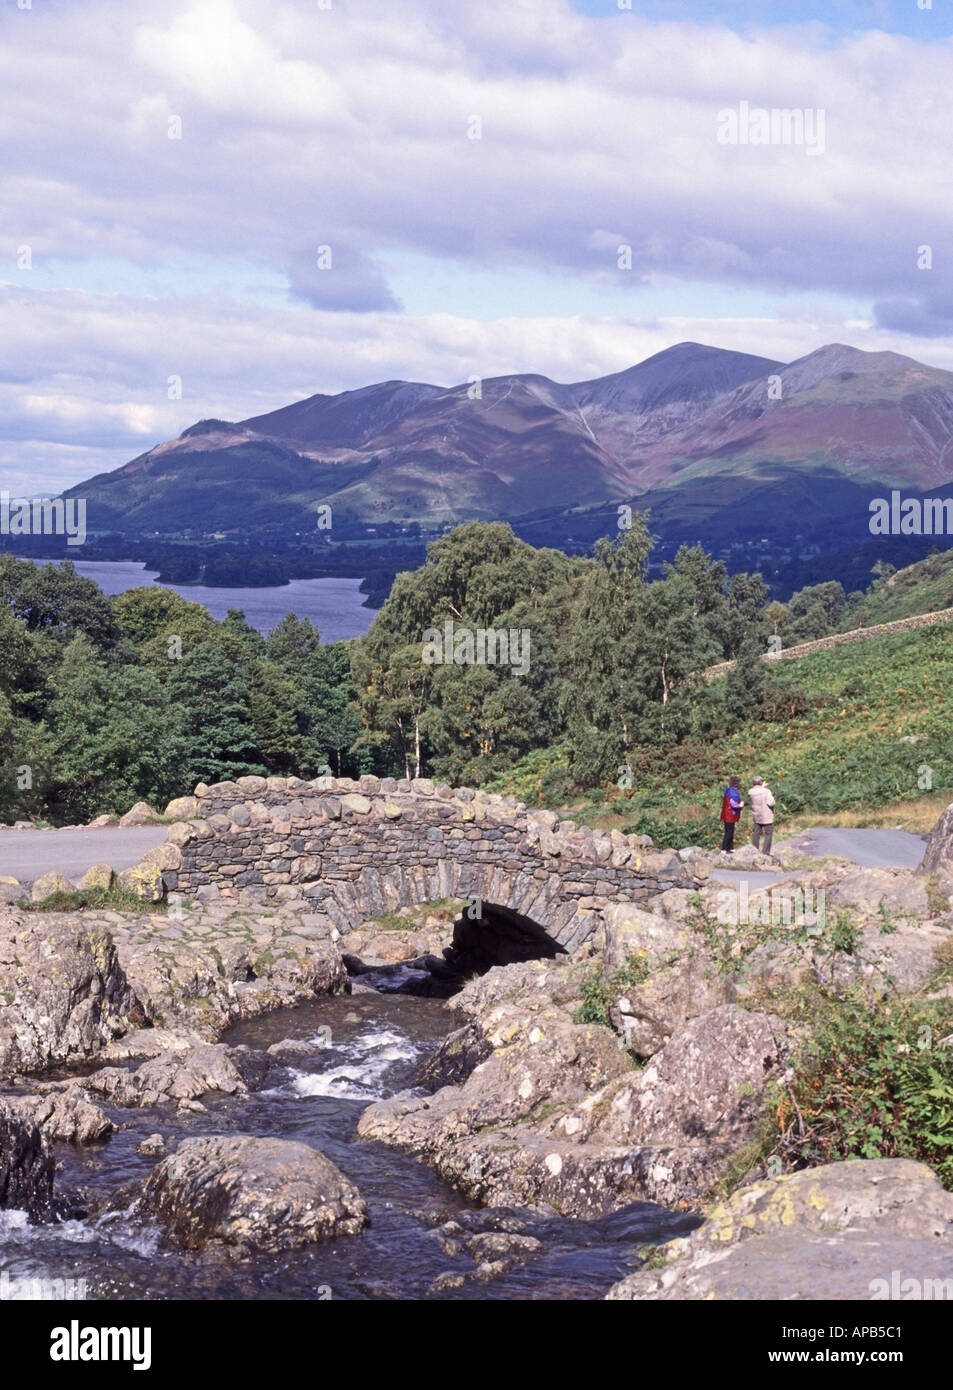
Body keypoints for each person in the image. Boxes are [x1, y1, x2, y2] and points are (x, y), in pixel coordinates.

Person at [747, 775, 776, 855]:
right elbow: (771, 803)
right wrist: (765, 789)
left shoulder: (750, 792)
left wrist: (762, 787)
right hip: (766, 815)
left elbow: (757, 791)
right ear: (761, 782)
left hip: (756, 815)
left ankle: (755, 850)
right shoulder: (766, 791)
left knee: (756, 833)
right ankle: (765, 852)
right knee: (768, 833)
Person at [719, 776, 744, 852]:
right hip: (730, 814)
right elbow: (733, 804)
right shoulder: (733, 792)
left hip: (726, 814)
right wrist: (740, 805)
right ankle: (724, 848)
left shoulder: (728, 790)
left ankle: (730, 847)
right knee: (729, 832)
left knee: (730, 831)